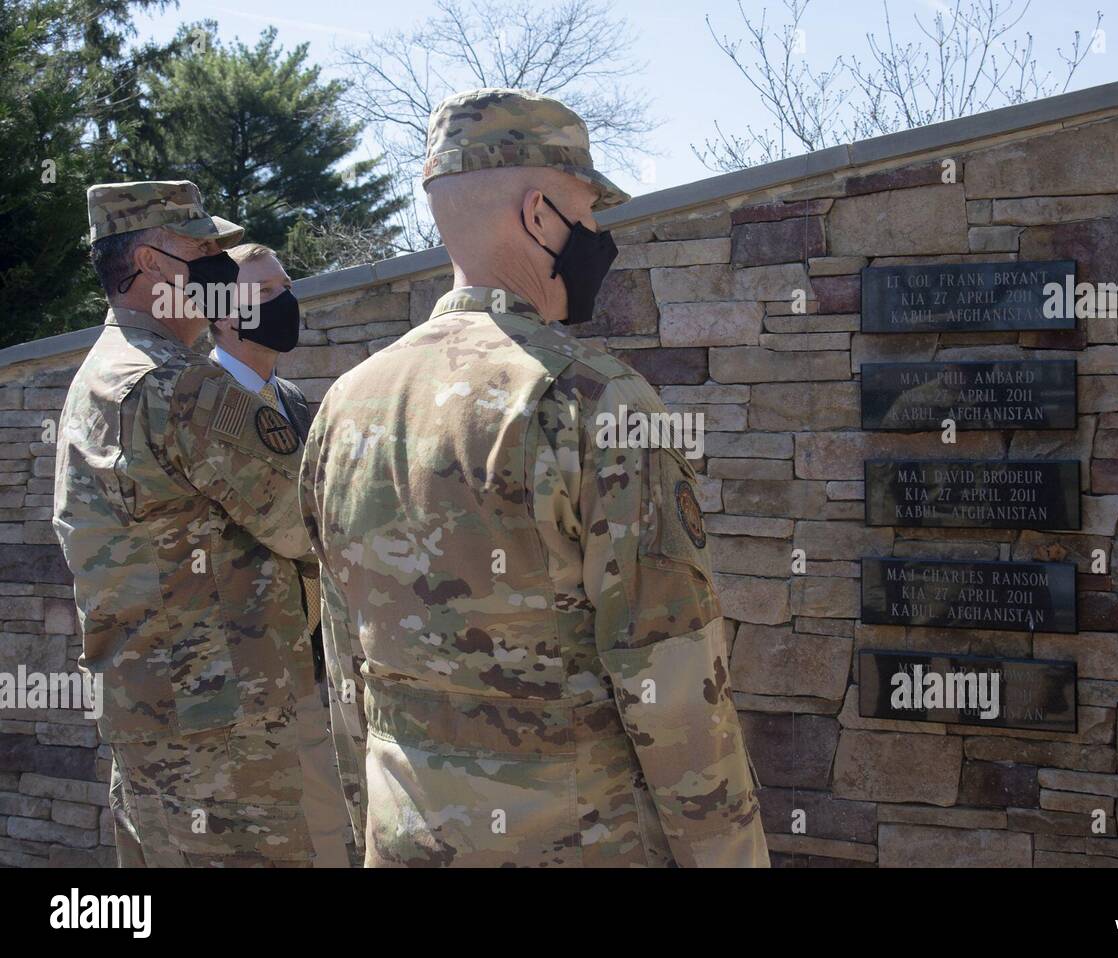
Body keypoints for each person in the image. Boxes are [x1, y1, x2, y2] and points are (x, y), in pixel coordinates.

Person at [300, 89, 770, 867]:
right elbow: (675, 686)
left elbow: (349, 669)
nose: (596, 237)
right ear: (540, 214)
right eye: (587, 213)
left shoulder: (347, 406)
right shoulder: (595, 400)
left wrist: (368, 825)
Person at [52, 180, 330, 867]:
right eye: (202, 249)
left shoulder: (101, 374)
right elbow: (310, 523)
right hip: (222, 735)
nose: (218, 264)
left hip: (155, 719)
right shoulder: (173, 384)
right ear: (149, 264)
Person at [203, 241, 354, 867]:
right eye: (263, 294)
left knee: (328, 835)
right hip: (238, 680)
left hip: (312, 667)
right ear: (219, 313)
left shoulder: (291, 400)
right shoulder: (200, 403)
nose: (284, 302)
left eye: (285, 286)